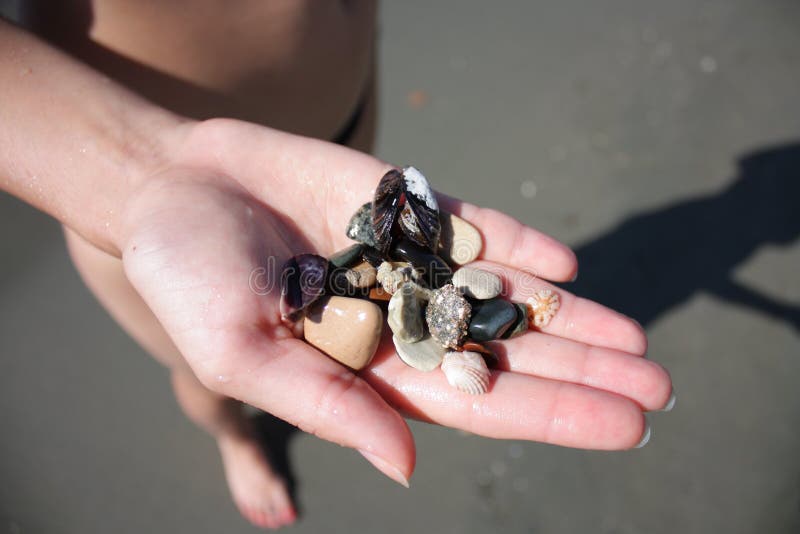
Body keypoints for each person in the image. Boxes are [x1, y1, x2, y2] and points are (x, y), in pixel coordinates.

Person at [0, 1, 673, 530]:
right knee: (204, 372)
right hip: (136, 174)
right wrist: (142, 171)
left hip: (336, 123)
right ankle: (235, 438)